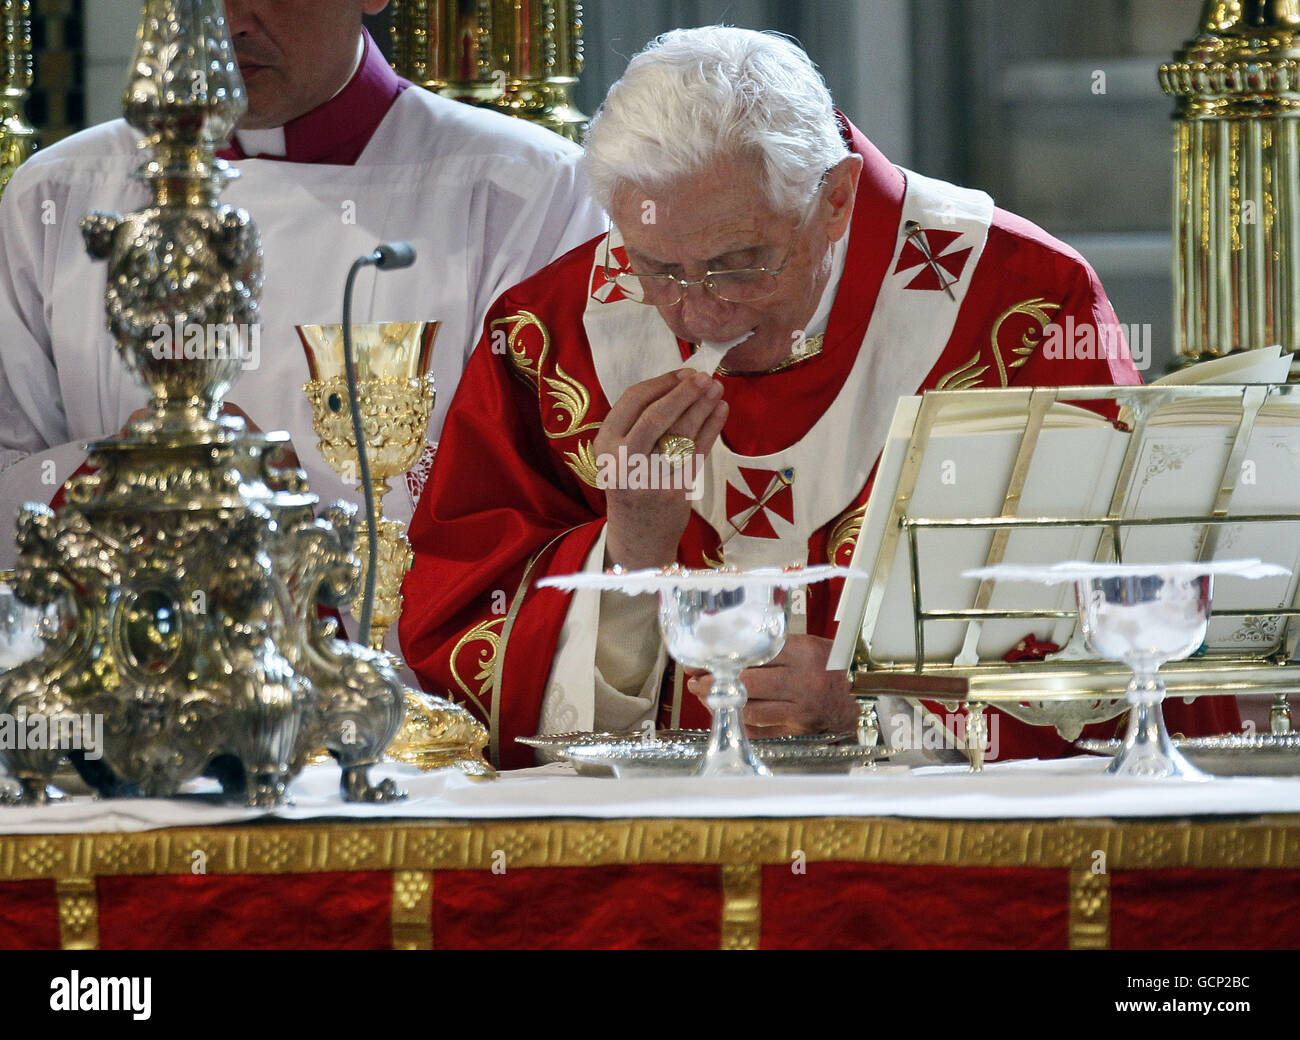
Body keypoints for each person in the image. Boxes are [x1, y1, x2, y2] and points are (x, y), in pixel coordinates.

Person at [398, 26, 1241, 768]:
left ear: (833, 199)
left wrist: (876, 711)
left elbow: (1128, 631)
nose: (699, 310)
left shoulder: (1020, 305)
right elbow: (458, 662)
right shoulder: (551, 334)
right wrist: (629, 554)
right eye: (658, 268)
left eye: (742, 261)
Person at [0, 0, 605, 570]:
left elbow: (553, 497)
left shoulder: (526, 192)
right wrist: (138, 474)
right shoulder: (58, 194)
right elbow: (12, 472)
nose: (230, 20)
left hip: (414, 669)